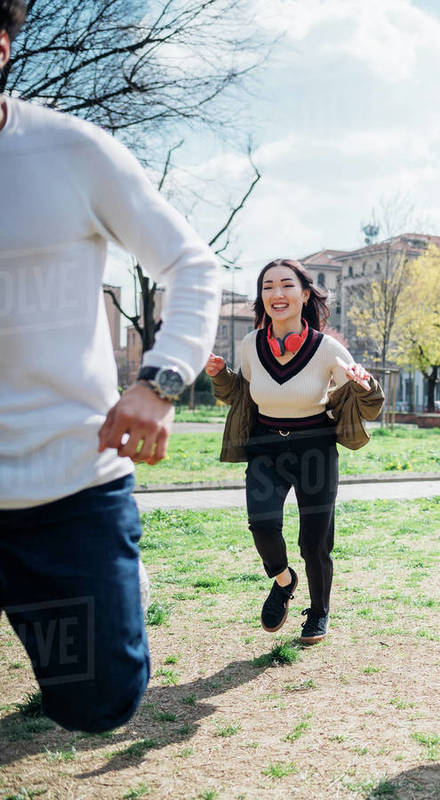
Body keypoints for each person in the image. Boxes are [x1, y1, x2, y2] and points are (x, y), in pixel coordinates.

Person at [0, 0, 223, 732]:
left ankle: (118, 590)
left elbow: (191, 264)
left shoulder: (70, 151)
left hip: (70, 477)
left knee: (97, 701)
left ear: (1, 48)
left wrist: (158, 385)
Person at [207, 259, 381, 645]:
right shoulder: (250, 344)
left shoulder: (327, 348)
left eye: (286, 285)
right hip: (266, 445)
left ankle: (319, 613)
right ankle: (284, 581)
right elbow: (244, 395)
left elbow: (362, 397)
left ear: (304, 295)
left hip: (314, 448)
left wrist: (364, 384)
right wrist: (221, 375)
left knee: (314, 543)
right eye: (268, 286)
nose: (277, 294)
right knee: (262, 524)